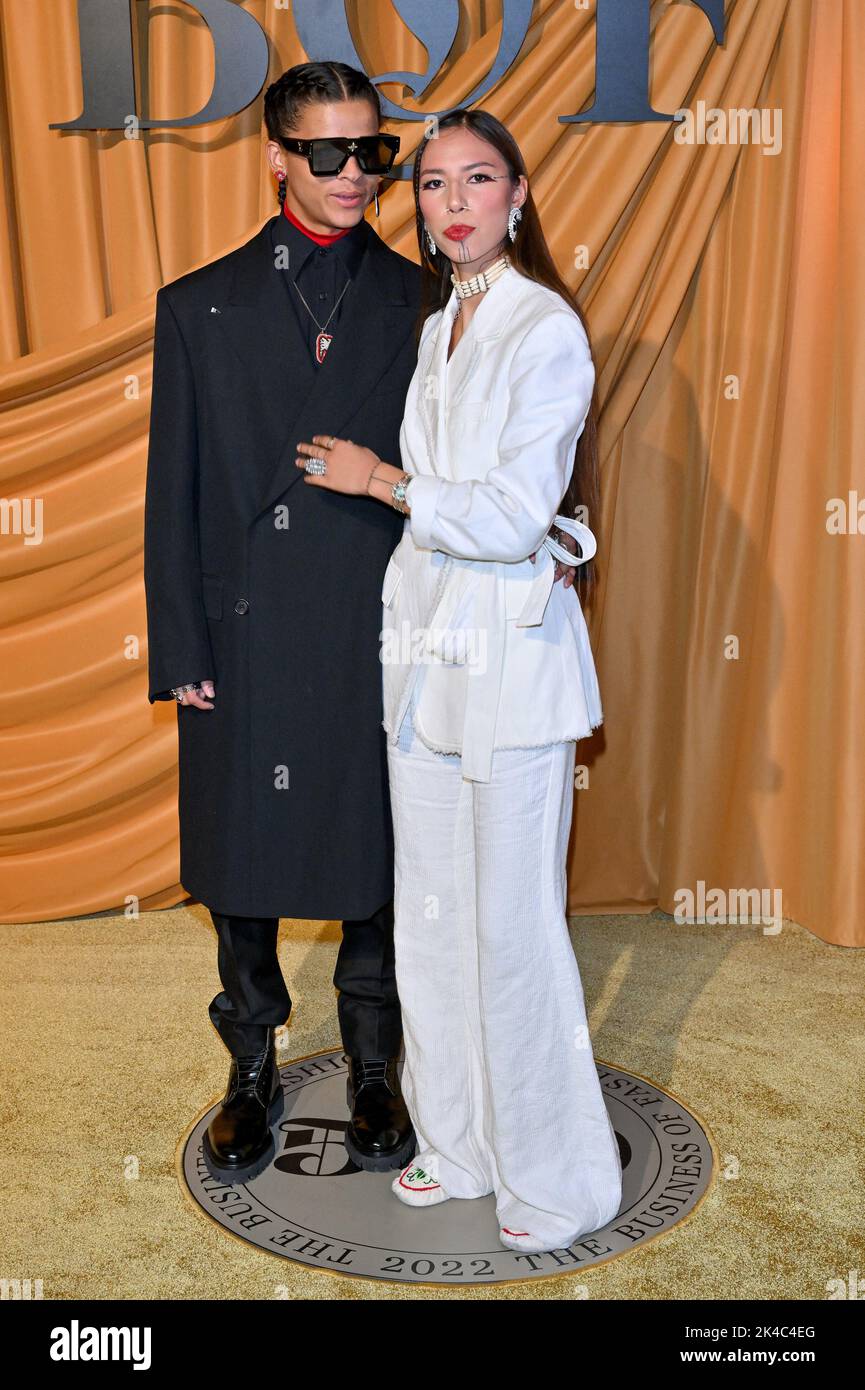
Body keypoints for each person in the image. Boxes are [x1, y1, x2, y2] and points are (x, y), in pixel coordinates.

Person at [295, 108, 623, 1254]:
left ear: (519, 195)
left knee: (513, 928)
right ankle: (462, 1141)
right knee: (432, 921)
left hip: (513, 670)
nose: (454, 202)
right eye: (433, 185)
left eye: (477, 179)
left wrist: (380, 480)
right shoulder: (441, 327)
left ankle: (558, 1175)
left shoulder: (547, 330)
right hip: (425, 663)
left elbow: (512, 515)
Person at [143, 62, 425, 1182]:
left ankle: (370, 1064)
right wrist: (183, 647)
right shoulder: (196, 305)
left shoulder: (426, 300)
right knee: (244, 858)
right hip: (247, 627)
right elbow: (176, 497)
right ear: (276, 158)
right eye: (329, 153)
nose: (355, 173)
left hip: (381, 623)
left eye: (373, 153)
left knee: (375, 854)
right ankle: (249, 1065)